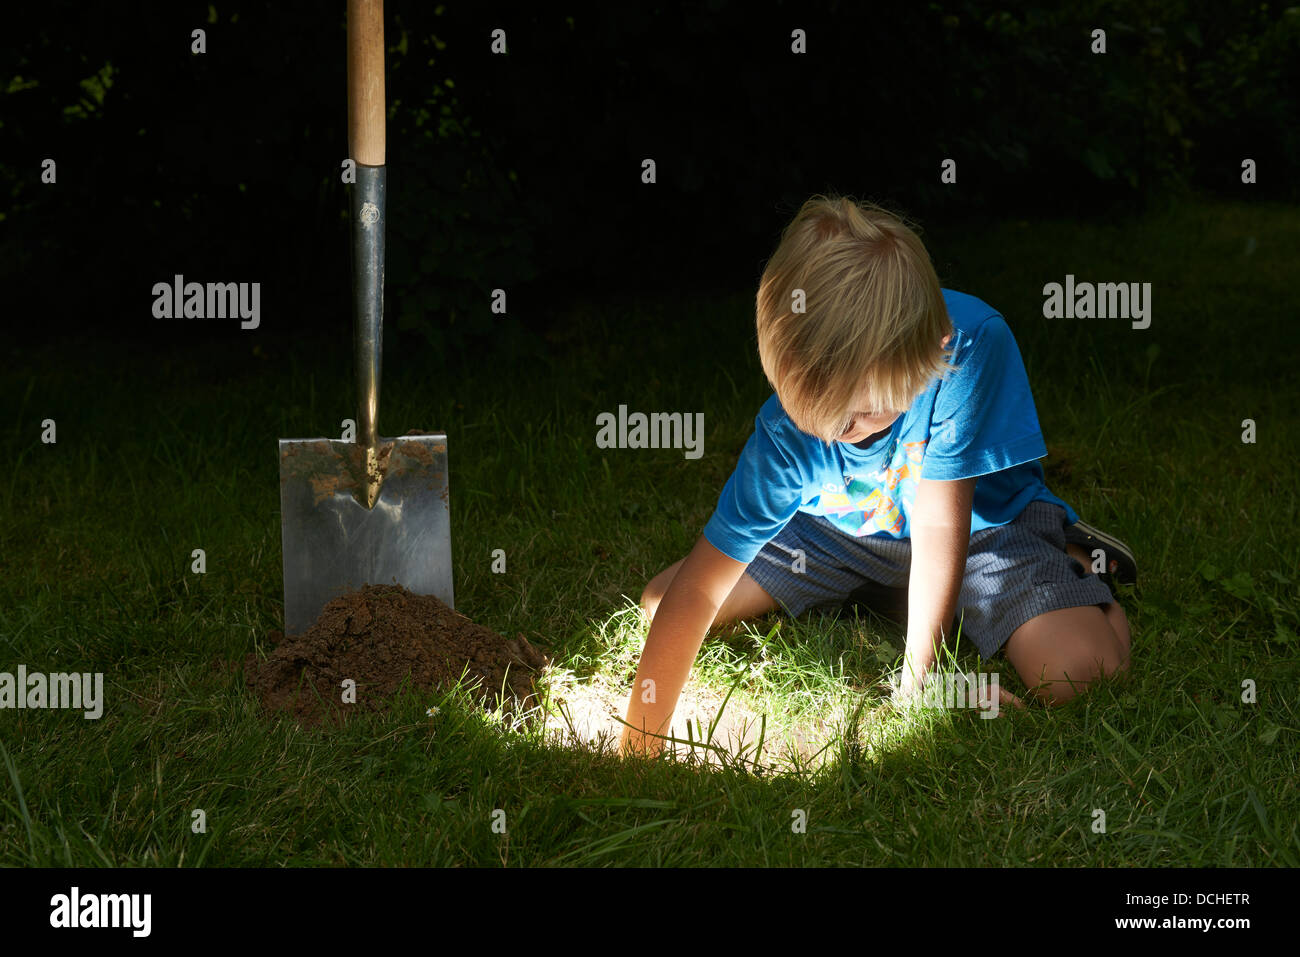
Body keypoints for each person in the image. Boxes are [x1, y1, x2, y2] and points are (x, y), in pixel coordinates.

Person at [620, 195, 1135, 757]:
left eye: (854, 415)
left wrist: (922, 677)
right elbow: (697, 587)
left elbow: (941, 524)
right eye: (806, 410)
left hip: (979, 529)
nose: (829, 432)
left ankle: (1077, 559)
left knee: (1080, 673)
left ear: (927, 355)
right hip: (839, 533)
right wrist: (639, 746)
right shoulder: (790, 432)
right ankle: (894, 590)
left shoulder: (967, 347)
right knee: (663, 600)